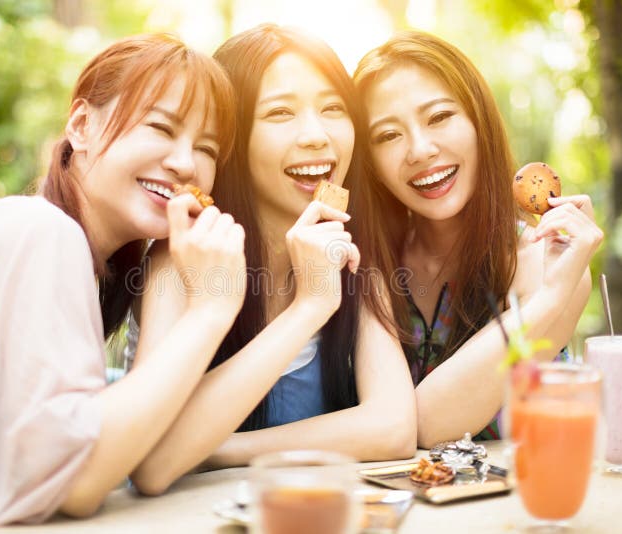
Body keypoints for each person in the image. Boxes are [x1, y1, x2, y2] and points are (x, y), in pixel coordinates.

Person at [0, 34, 245, 532]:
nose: (186, 164)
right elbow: (77, 478)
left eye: (206, 148)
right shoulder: (42, 233)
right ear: (81, 125)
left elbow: (133, 451)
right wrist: (211, 310)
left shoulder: (63, 249)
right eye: (161, 126)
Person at [126, 24, 416, 495]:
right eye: (280, 112)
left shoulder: (350, 250)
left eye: (332, 109)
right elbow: (154, 465)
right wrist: (309, 307)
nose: (317, 136)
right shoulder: (181, 257)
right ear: (233, 137)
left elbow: (394, 427)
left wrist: (213, 448)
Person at [352, 30, 604, 448]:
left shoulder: (547, 260)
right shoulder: (369, 264)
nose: (419, 149)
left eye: (438, 117)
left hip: (527, 503)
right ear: (370, 163)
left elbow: (430, 426)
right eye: (388, 136)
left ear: (478, 120)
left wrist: (553, 293)